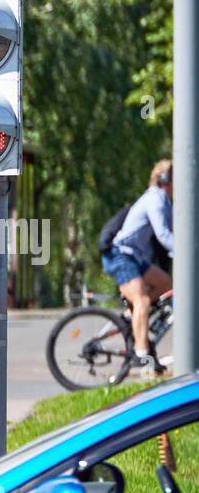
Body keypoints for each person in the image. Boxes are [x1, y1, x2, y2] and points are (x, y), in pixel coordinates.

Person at [104, 160, 174, 375]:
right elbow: (163, 234)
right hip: (120, 255)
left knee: (167, 284)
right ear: (165, 180)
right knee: (142, 299)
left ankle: (130, 317)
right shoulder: (155, 199)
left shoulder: (165, 201)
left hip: (134, 257)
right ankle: (140, 353)